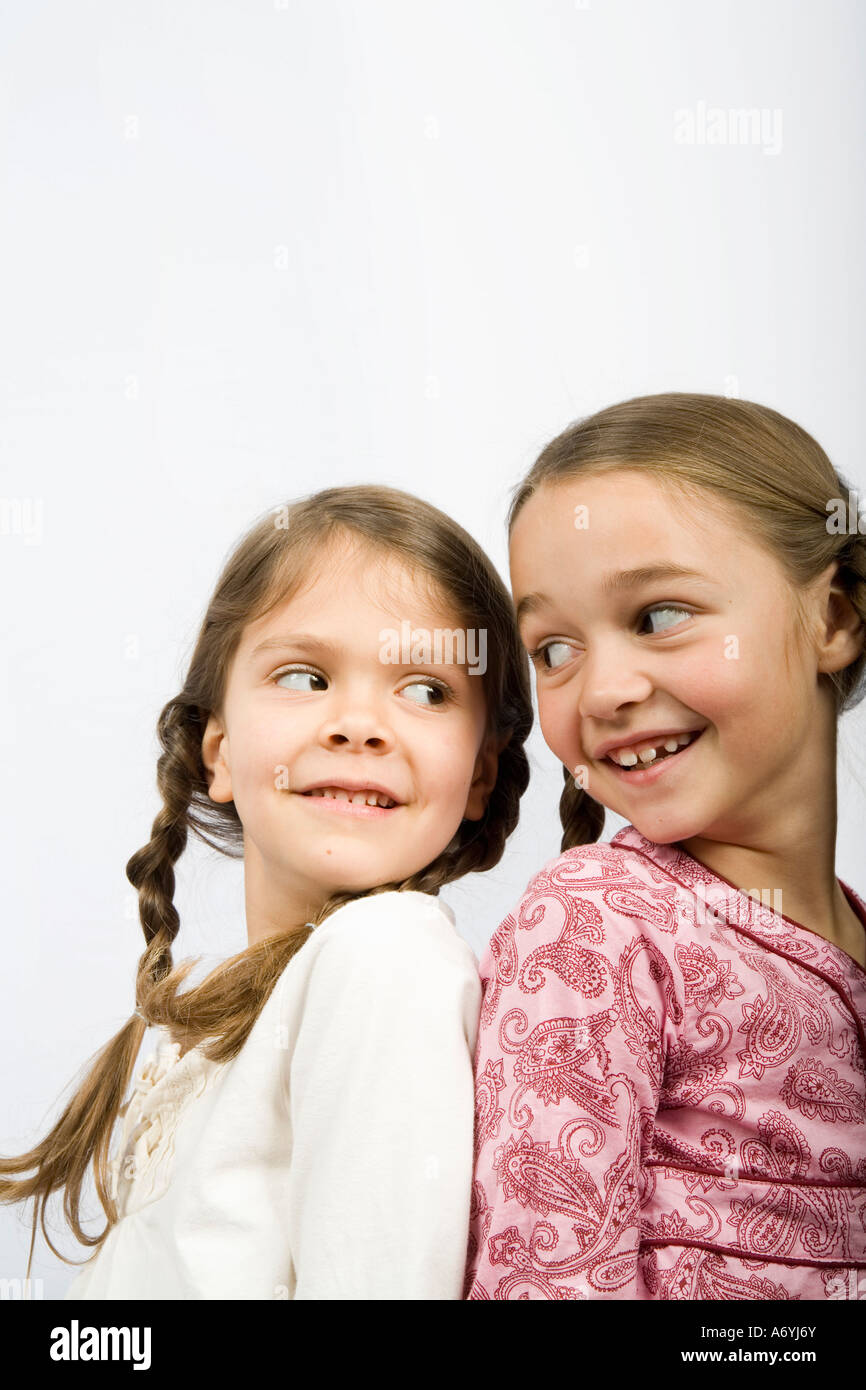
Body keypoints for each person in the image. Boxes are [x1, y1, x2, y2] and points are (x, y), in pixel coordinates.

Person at [0, 484, 532, 1299]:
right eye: (304, 675)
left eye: (426, 689)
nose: (359, 723)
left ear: (478, 777)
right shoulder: (216, 1000)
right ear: (217, 751)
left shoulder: (385, 959)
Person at [466, 393, 866, 1300]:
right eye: (554, 647)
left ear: (833, 616)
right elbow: (545, 1280)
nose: (602, 691)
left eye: (657, 617)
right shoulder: (594, 927)